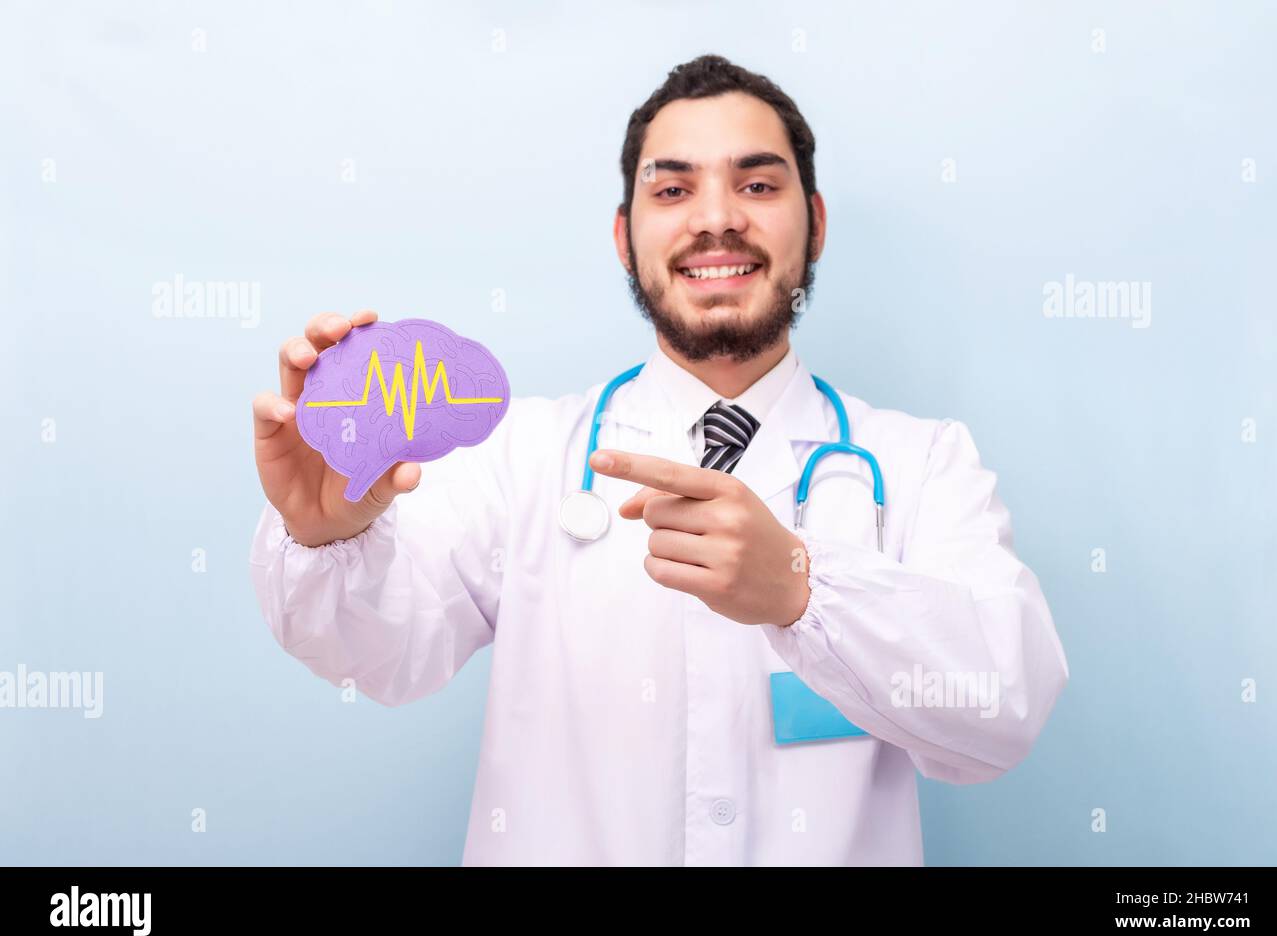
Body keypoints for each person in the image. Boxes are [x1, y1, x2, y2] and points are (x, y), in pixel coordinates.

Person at [249, 54, 1068, 866]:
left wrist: (801, 587)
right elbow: (381, 657)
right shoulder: (521, 458)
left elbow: (1001, 709)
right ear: (623, 236)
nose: (716, 219)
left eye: (757, 184)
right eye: (672, 189)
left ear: (815, 222)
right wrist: (325, 538)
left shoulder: (922, 464)